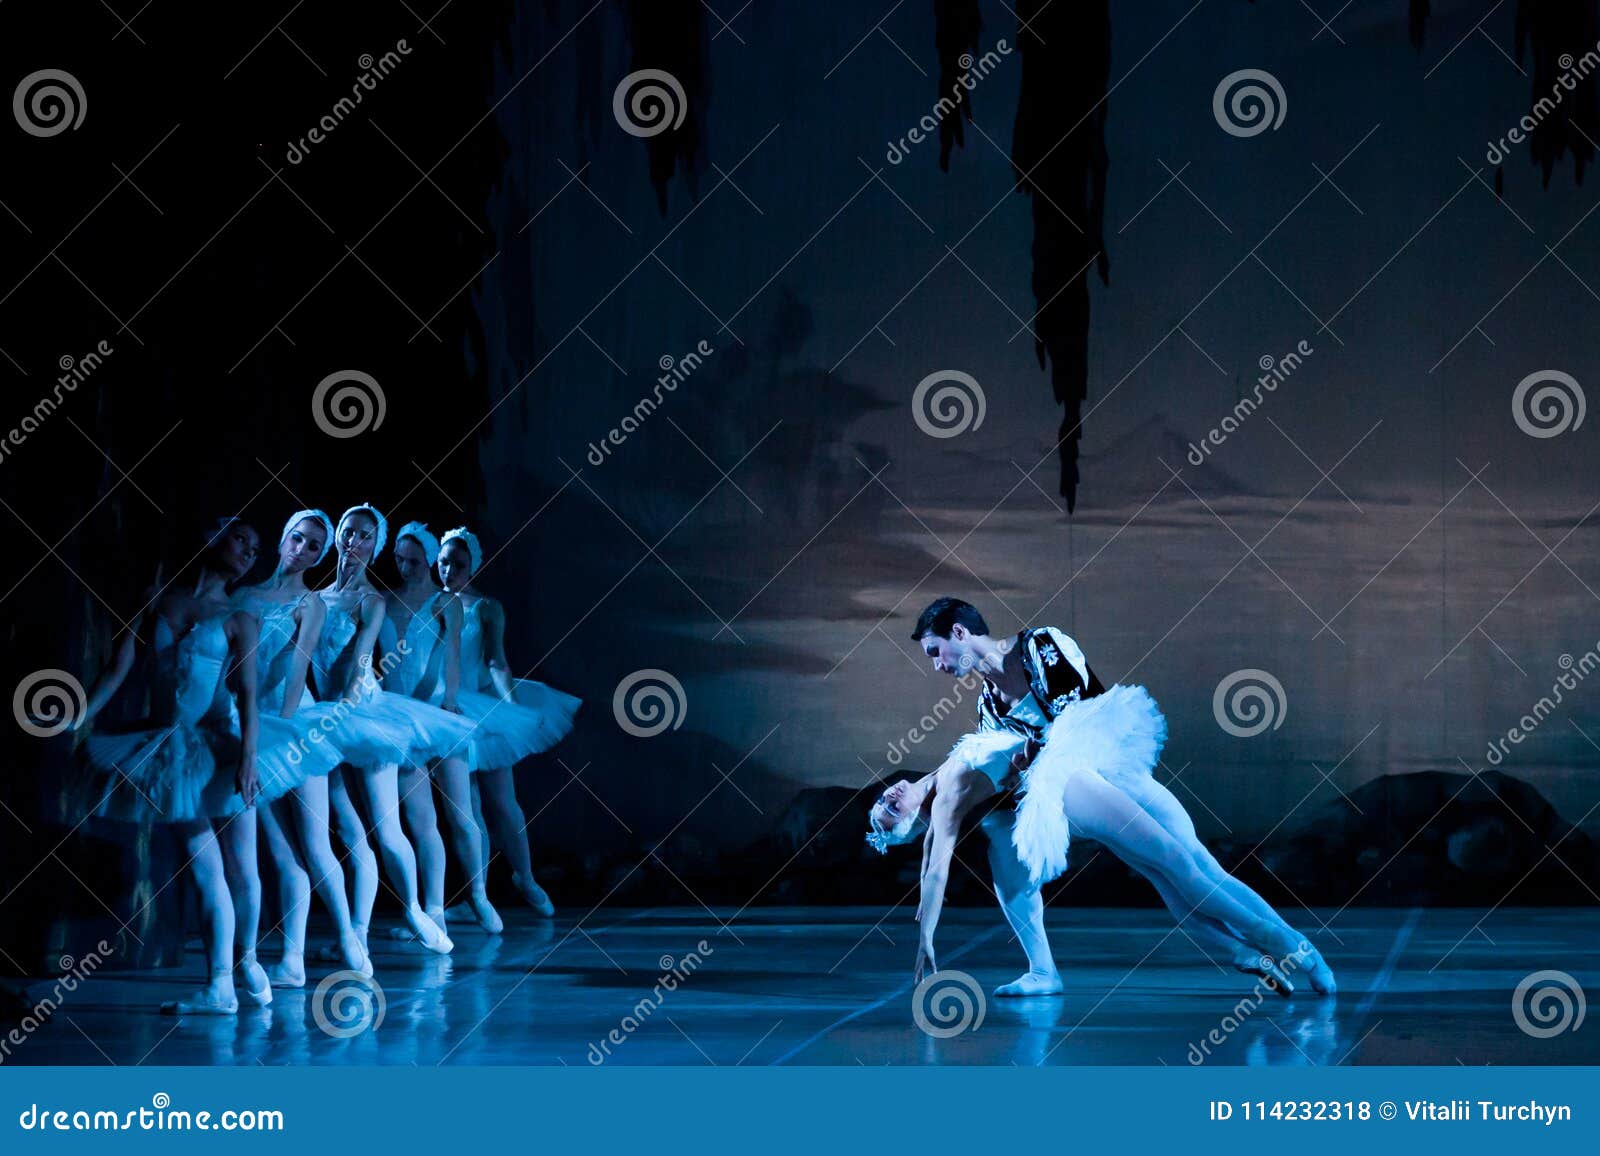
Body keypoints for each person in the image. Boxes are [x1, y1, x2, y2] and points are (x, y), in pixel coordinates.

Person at [868, 597, 1336, 997]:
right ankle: (1289, 947)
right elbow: (940, 852)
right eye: (892, 810)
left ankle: (1250, 951)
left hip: (1108, 763)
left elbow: (1074, 715)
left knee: (1188, 868)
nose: (938, 666)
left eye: (936, 652)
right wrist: (924, 934)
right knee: (1170, 866)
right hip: (1074, 787)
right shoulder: (988, 708)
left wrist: (1029, 753)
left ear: (959, 631)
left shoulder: (1039, 646)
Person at [73, 517, 332, 1012]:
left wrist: (250, 759)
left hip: (223, 745)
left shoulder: (240, 619)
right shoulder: (159, 599)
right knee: (206, 865)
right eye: (241, 539)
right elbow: (118, 668)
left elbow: (250, 696)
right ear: (212, 537)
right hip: (169, 748)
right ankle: (220, 984)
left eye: (256, 548)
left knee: (242, 864)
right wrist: (79, 718)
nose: (249, 552)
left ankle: (247, 962)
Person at [230, 509, 370, 983]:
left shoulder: (311, 603)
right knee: (281, 850)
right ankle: (293, 959)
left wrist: (287, 731)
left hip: (294, 724)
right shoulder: (244, 597)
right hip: (252, 724)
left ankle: (349, 933)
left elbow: (298, 667)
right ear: (283, 538)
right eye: (298, 539)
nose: (304, 550)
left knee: (314, 841)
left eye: (314, 546)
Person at [433, 526, 579, 917]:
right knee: (468, 807)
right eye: (443, 562)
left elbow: (496, 661)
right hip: (444, 708)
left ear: (473, 566)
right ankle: (476, 895)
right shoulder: (427, 604)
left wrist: (512, 709)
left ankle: (525, 877)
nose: (448, 570)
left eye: (458, 564)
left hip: (480, 705)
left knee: (502, 800)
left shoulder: (485, 607)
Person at [380, 521, 501, 935]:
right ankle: (432, 910)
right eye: (400, 559)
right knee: (419, 818)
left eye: (415, 561)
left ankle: (479, 892)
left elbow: (450, 658)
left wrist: (448, 700)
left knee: (460, 811)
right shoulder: (383, 600)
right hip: (397, 714)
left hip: (437, 712)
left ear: (429, 560)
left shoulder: (444, 602)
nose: (407, 567)